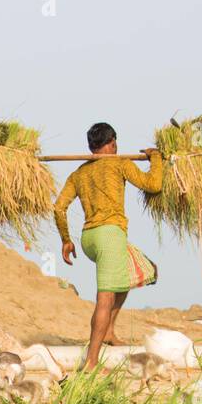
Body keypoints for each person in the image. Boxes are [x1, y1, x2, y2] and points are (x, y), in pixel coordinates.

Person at [54, 122, 164, 371]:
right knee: (104, 299)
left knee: (143, 270)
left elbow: (58, 207)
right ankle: (92, 362)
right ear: (113, 143)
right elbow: (153, 184)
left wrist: (66, 239)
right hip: (109, 236)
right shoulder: (120, 162)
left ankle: (109, 332)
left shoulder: (79, 174)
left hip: (88, 239)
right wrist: (155, 158)